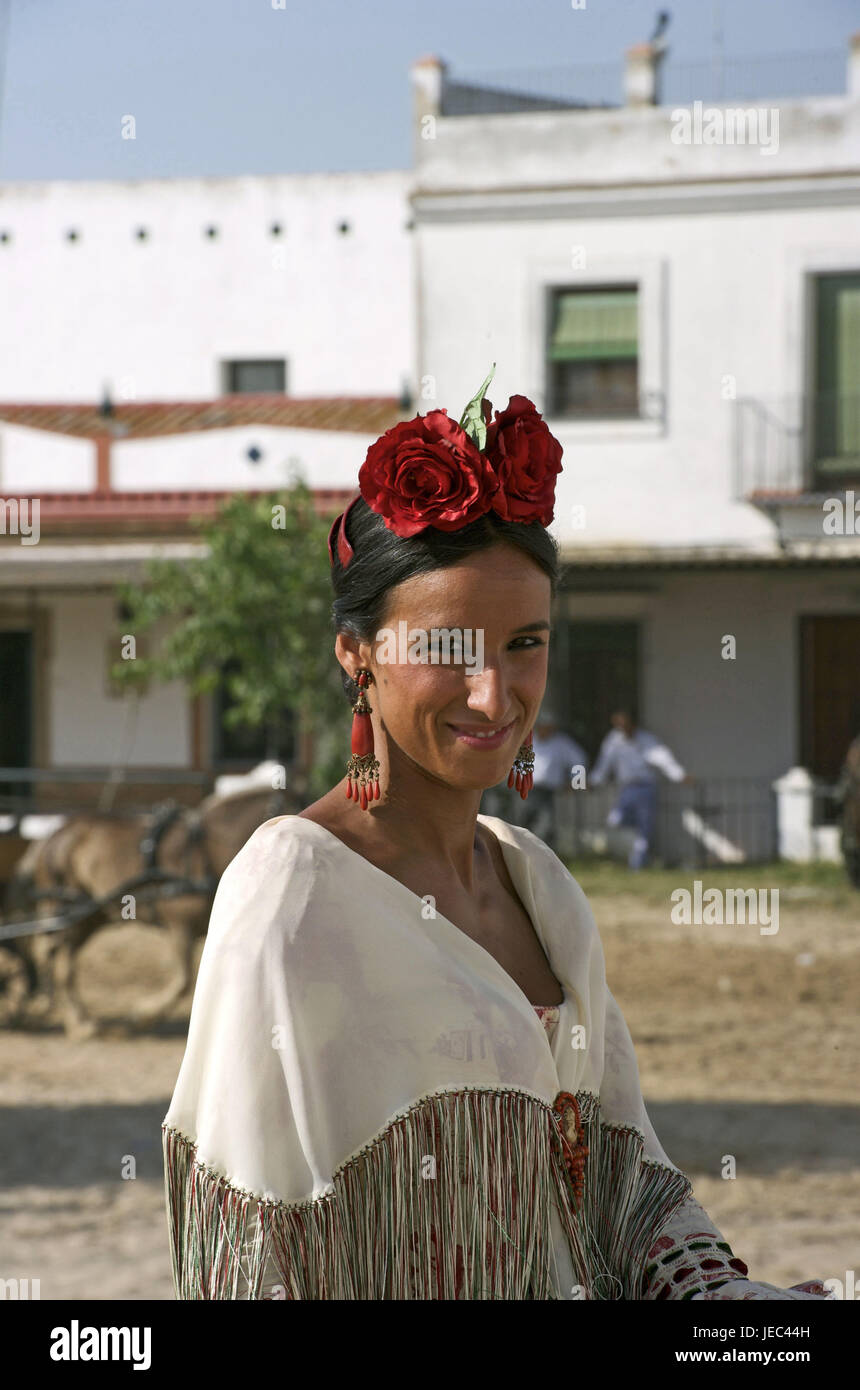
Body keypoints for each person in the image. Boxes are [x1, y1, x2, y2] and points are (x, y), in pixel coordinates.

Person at [161, 373, 830, 1300]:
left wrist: (738, 1313)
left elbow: (625, 1188)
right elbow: (255, 1257)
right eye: (446, 648)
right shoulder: (293, 893)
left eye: (525, 643)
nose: (494, 696)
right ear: (357, 654)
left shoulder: (537, 883)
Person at [589, 711, 689, 870]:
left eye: (624, 725)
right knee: (615, 821)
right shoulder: (613, 740)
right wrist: (594, 781)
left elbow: (663, 758)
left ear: (633, 724)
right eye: (618, 726)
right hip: (627, 788)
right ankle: (634, 848)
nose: (622, 729)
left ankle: (638, 864)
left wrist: (679, 775)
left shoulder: (646, 739)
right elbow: (604, 763)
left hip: (646, 787)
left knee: (645, 829)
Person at [520, 707, 588, 854]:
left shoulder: (562, 743)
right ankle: (524, 856)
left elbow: (579, 759)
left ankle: (546, 856)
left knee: (547, 825)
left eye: (549, 728)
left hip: (550, 793)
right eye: (543, 727)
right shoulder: (528, 741)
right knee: (523, 825)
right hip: (528, 791)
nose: (546, 730)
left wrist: (576, 783)